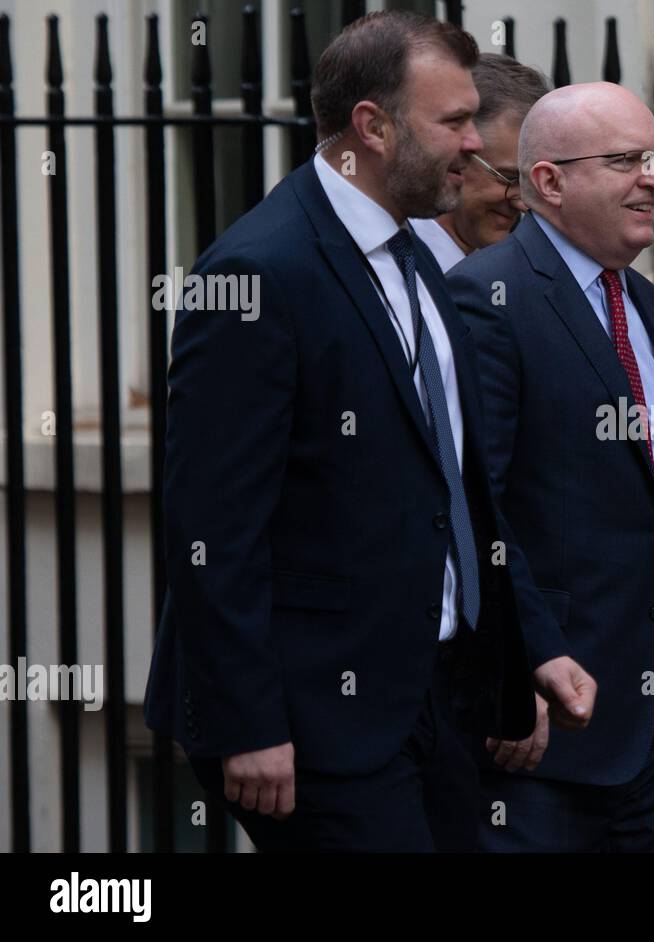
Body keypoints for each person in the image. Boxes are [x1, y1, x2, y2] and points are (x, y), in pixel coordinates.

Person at [143, 10, 595, 852]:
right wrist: (248, 721)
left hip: (436, 701)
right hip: (316, 721)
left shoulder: (416, 255)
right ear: (373, 127)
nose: (476, 144)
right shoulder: (256, 274)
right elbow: (213, 524)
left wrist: (534, 641)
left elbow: (460, 487)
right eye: (455, 121)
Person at [447, 82, 654, 853]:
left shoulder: (645, 308)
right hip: (548, 738)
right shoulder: (487, 299)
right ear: (547, 181)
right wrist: (523, 666)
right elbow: (477, 509)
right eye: (625, 161)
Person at [411, 53, 548, 272]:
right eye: (510, 178)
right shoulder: (395, 265)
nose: (523, 204)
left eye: (532, 185)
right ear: (457, 153)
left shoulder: (513, 276)